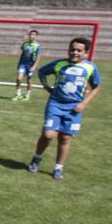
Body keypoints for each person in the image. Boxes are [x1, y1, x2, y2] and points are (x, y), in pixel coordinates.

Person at [26, 37, 102, 180]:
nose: (75, 53)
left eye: (79, 50)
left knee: (65, 137)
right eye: (72, 49)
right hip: (55, 104)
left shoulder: (90, 67)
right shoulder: (59, 64)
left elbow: (97, 86)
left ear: (86, 52)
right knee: (48, 135)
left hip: (74, 107)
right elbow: (42, 72)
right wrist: (47, 87)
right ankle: (37, 158)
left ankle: (58, 167)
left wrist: (84, 103)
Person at [13, 30, 41, 101]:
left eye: (33, 35)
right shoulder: (25, 44)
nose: (31, 36)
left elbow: (38, 57)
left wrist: (34, 66)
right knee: (18, 78)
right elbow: (22, 54)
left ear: (36, 36)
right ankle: (18, 94)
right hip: (23, 64)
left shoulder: (38, 45)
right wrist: (19, 63)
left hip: (31, 65)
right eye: (31, 34)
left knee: (29, 80)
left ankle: (27, 95)